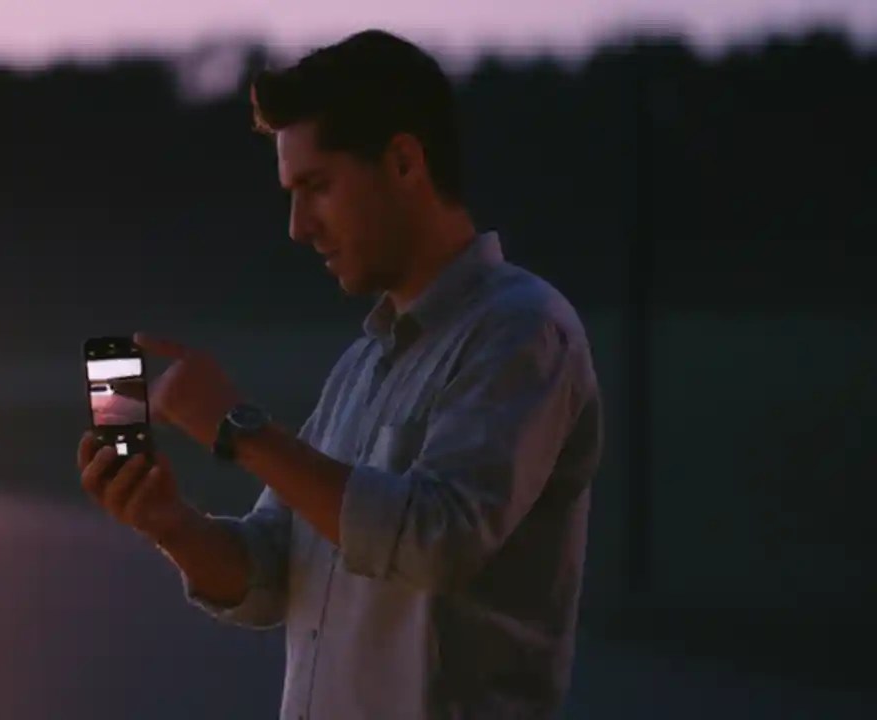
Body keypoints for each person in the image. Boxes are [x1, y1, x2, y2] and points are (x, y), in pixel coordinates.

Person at [77, 28, 603, 720]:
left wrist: (239, 427)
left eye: (317, 186)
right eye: (292, 193)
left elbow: (437, 538)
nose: (298, 226)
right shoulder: (364, 364)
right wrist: (169, 522)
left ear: (405, 162)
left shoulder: (524, 329)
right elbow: (270, 573)